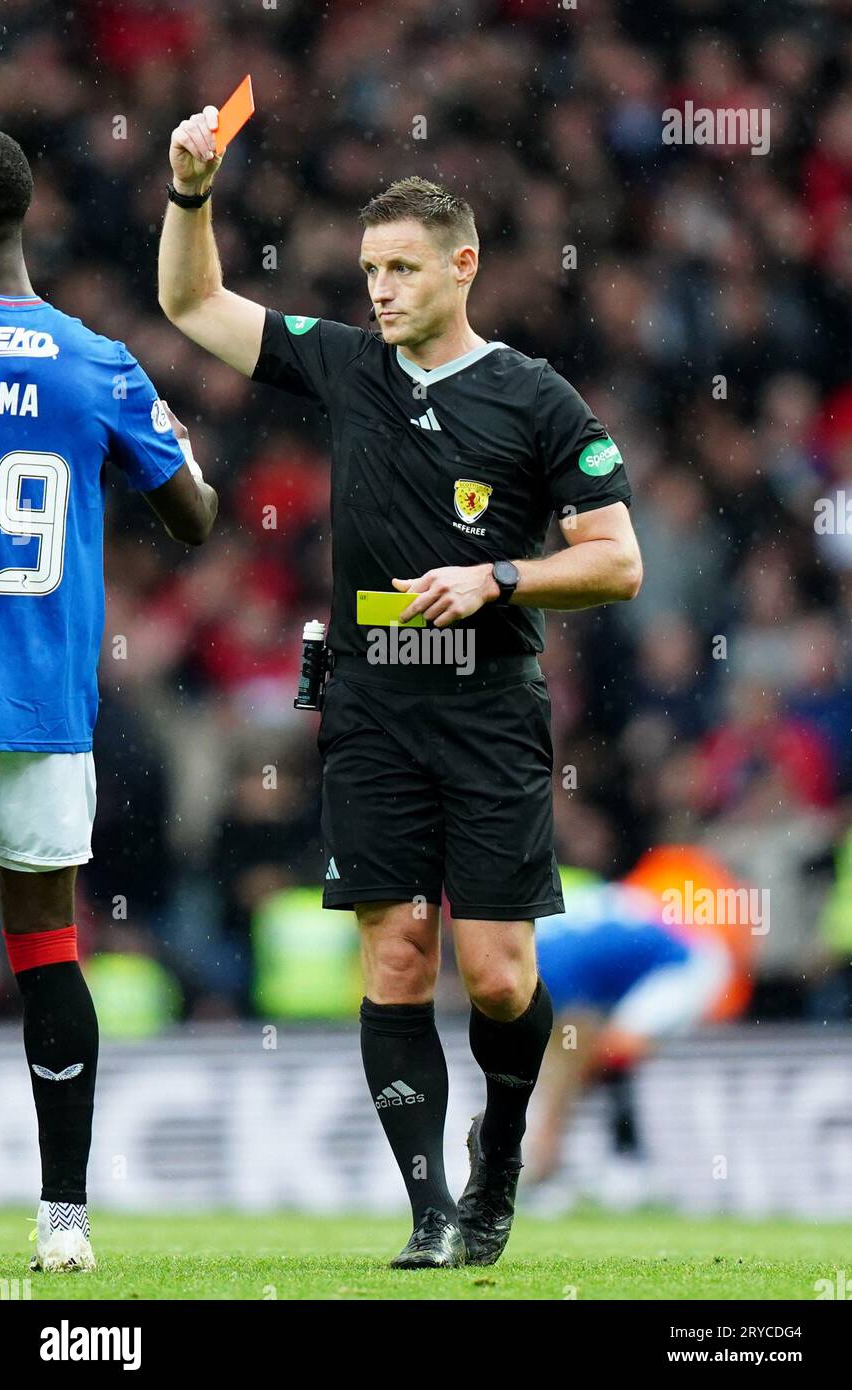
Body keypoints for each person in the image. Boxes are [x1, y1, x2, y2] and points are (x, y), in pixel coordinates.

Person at [158, 106, 642, 1268]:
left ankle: (504, 1152)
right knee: (395, 954)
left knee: (498, 969)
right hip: (372, 700)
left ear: (462, 265)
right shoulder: (346, 364)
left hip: (487, 708)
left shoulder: (535, 398)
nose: (377, 290)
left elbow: (617, 562)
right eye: (369, 269)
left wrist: (501, 577)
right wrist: (190, 195)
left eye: (402, 269)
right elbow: (192, 305)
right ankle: (431, 1211)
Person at [0, 129, 218, 1272]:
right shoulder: (96, 362)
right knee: (44, 951)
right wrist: (165, 445)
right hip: (37, 704)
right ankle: (64, 1225)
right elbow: (196, 518)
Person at [528, 879, 736, 1191]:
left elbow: (573, 1044)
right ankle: (616, 1160)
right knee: (597, 1056)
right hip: (664, 955)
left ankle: (627, 1165)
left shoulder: (547, 962)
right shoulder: (544, 934)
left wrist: (549, 1126)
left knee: (613, 1051)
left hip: (687, 964)